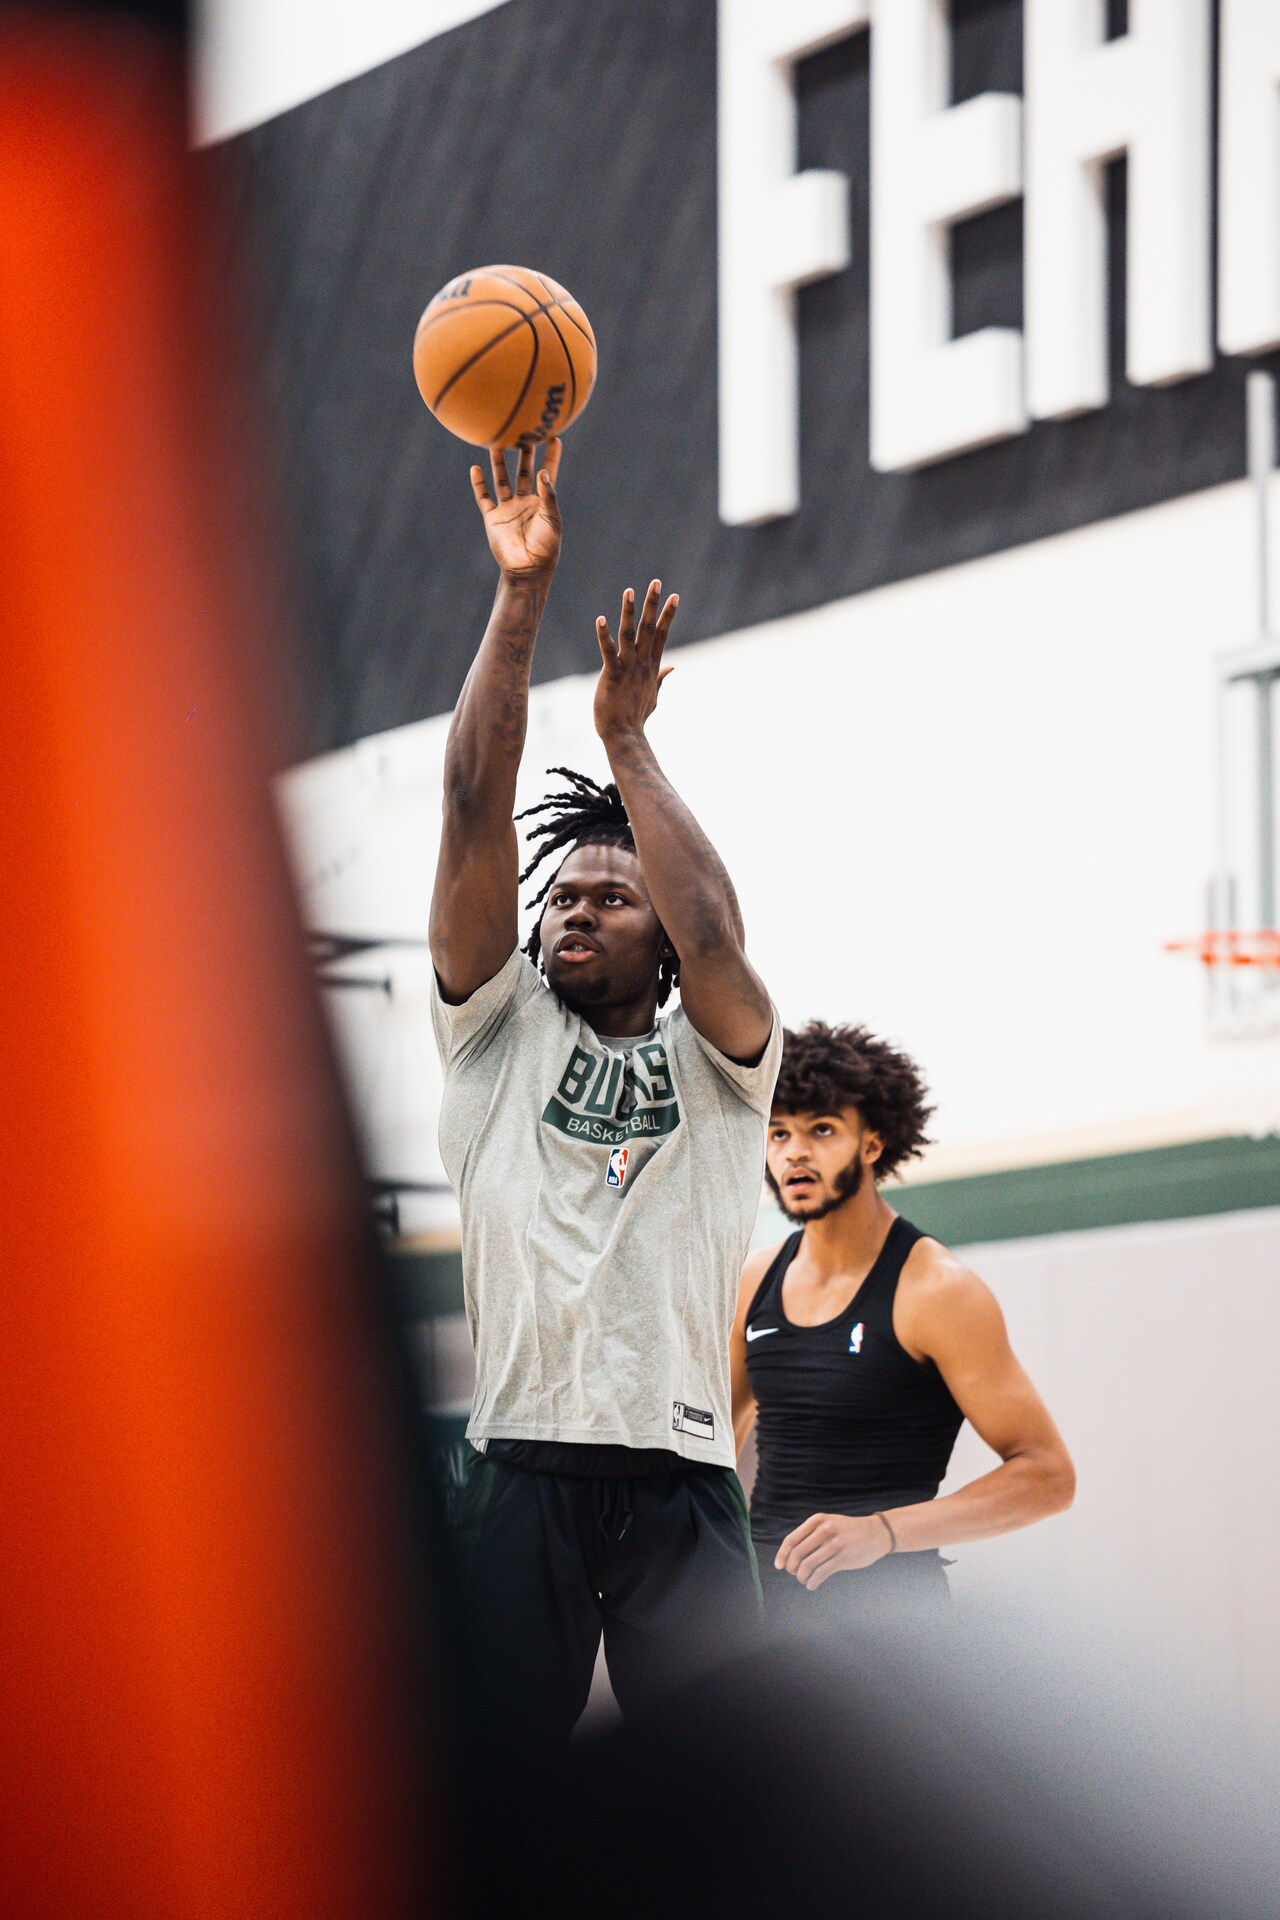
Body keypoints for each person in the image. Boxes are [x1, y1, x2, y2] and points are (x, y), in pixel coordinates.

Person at [429, 437, 780, 1755]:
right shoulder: (492, 1033)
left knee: (730, 1807)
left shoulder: (724, 1059)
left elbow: (721, 936)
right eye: (562, 895)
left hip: (679, 1474)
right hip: (519, 1465)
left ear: (660, 941)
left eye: (610, 897)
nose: (577, 907)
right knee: (491, 1806)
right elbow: (474, 802)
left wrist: (626, 739)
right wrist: (520, 602)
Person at [730, 1021, 1074, 1622]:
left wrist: (882, 1532)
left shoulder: (937, 1291)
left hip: (894, 1628)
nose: (794, 1153)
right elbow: (709, 1450)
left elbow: (1047, 1476)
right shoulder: (755, 1281)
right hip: (765, 1618)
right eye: (778, 1133)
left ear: (873, 1142)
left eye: (822, 1130)